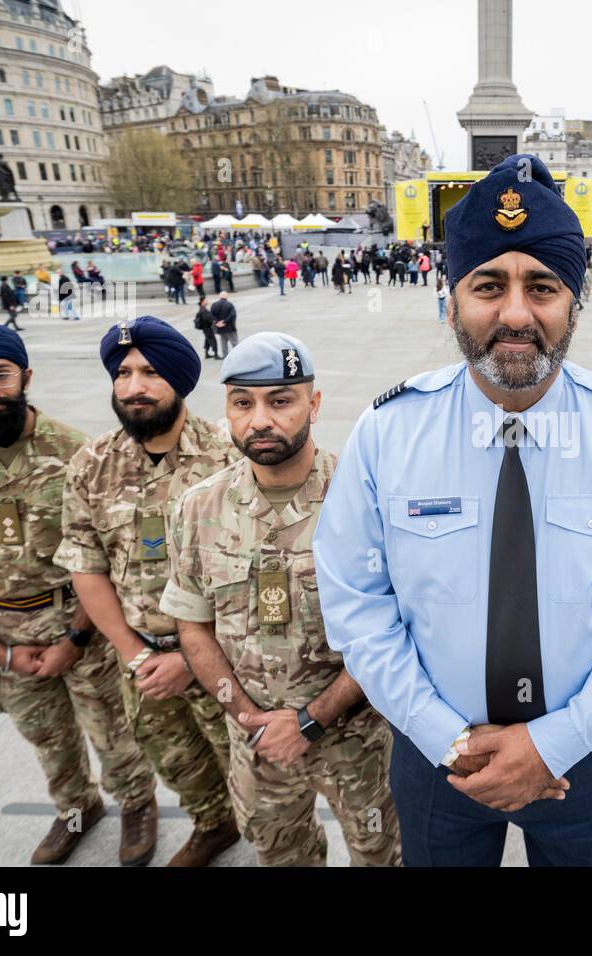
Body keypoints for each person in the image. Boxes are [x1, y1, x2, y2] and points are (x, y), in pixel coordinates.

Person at [311, 154, 592, 867]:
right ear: (450, 301)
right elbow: (358, 604)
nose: (517, 313)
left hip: (586, 759)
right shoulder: (388, 433)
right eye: (488, 285)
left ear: (574, 305)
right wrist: (444, 736)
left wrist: (554, 742)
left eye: (543, 286)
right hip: (437, 756)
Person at [160, 333, 401, 867]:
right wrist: (249, 718)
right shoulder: (198, 508)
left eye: (281, 400)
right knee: (280, 853)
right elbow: (193, 626)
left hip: (356, 739)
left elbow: (395, 630)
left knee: (380, 853)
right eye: (243, 403)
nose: (260, 420)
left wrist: (311, 720)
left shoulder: (367, 500)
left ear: (313, 405)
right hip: (256, 742)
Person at [0, 323, 157, 865]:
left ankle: (137, 805)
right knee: (48, 740)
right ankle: (77, 809)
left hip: (87, 629)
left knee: (113, 732)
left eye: (1, 375)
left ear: (25, 376)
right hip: (5, 636)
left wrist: (75, 638)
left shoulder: (79, 454)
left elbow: (114, 562)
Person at [56, 318, 240, 866]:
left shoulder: (231, 457)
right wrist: (133, 653)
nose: (134, 386)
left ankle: (271, 838)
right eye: (123, 373)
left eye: (151, 372)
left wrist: (191, 656)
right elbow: (86, 566)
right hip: (141, 660)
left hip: (225, 657)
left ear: (180, 381)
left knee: (255, 766)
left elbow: (257, 575)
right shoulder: (91, 465)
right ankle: (213, 825)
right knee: (177, 762)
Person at [210, 291, 238, 357]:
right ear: (226, 296)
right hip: (230, 328)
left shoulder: (214, 305)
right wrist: (224, 321)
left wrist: (217, 322)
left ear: (220, 296)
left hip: (220, 328)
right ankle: (237, 356)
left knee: (223, 344)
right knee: (235, 343)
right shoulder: (229, 304)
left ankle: (225, 356)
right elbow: (232, 315)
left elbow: (212, 315)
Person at [194, 294, 218, 360]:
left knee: (207, 340)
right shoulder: (203, 310)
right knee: (212, 340)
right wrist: (214, 322)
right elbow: (207, 319)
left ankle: (206, 354)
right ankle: (216, 354)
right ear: (202, 302)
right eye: (206, 300)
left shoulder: (202, 309)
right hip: (207, 328)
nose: (207, 301)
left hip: (206, 328)